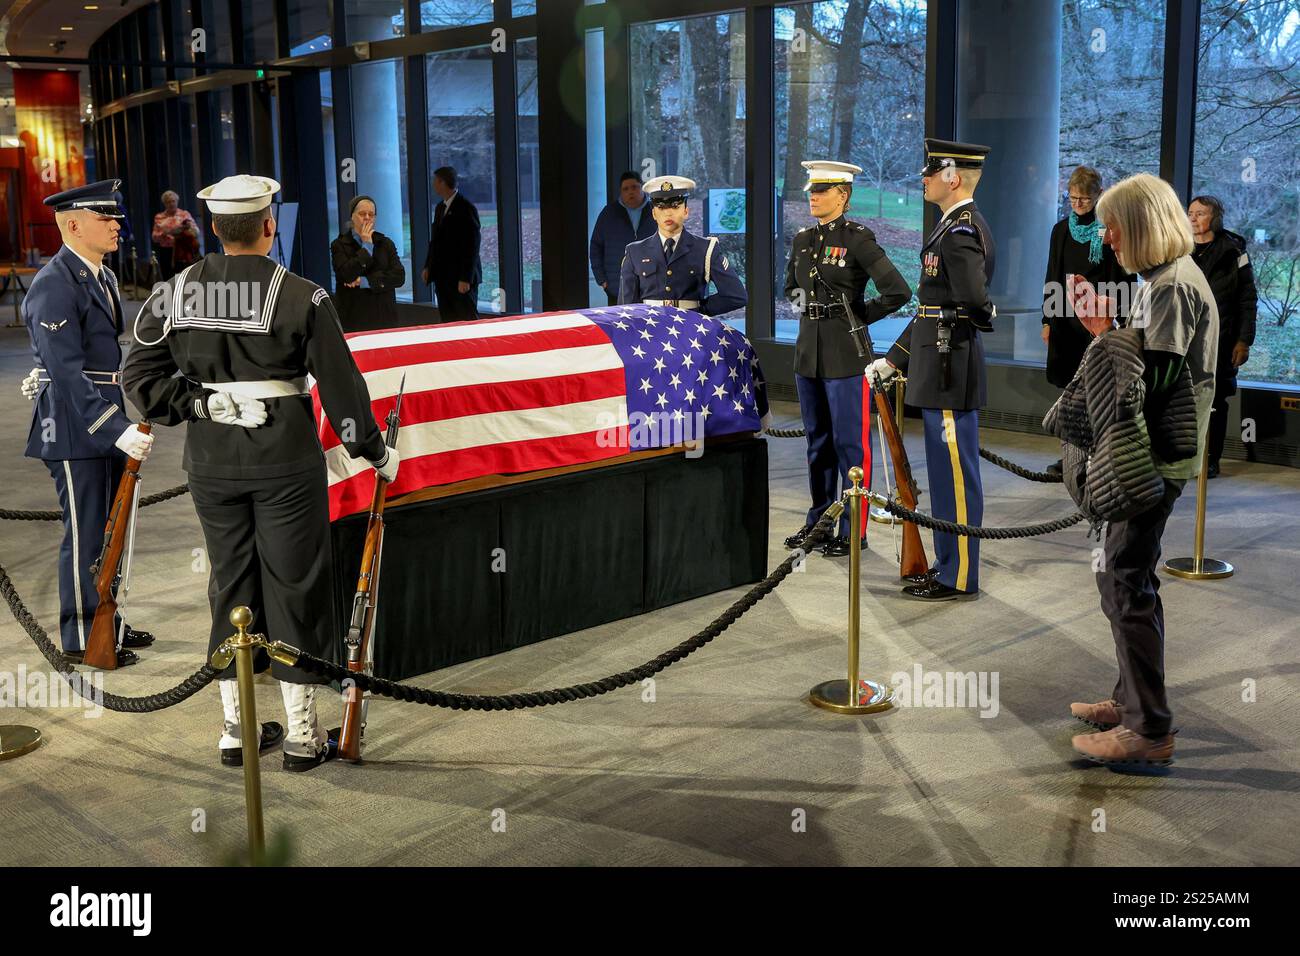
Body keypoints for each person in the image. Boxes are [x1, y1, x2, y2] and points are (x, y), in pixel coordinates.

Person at [123, 174, 399, 772]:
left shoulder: (173, 294)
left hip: (213, 459)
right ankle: (301, 737)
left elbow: (137, 378)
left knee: (230, 583)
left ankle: (238, 728)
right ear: (269, 227)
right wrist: (372, 450)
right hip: (284, 459)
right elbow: (343, 389)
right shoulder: (303, 296)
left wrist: (201, 403)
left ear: (216, 230)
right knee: (294, 584)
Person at [1066, 173, 1218, 768]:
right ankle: (1131, 701)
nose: (1106, 237)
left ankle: (1148, 728)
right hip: (1153, 457)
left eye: (1113, 225)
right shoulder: (1165, 279)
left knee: (1125, 582)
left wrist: (1104, 335)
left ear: (1141, 225)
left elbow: (1151, 386)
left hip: (1151, 460)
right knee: (1127, 580)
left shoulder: (1171, 285)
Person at [21, 180, 155, 667]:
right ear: (74, 224)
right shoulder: (54, 284)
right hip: (75, 424)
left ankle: (108, 619)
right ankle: (81, 634)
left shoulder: (102, 276)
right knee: (85, 532)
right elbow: (65, 371)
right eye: (106, 217)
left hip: (105, 413)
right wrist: (111, 424)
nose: (117, 224)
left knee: (111, 528)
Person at [870, 139, 996, 602]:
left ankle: (959, 576)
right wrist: (895, 359)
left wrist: (982, 318)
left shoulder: (961, 231)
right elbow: (931, 309)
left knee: (956, 480)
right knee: (944, 477)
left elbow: (972, 304)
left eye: (930, 171)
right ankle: (947, 566)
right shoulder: (949, 228)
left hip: (948, 367)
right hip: (938, 362)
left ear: (953, 178)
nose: (923, 178)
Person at [781, 160, 912, 556]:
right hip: (809, 353)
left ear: (844, 194)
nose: (813, 197)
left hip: (846, 353)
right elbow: (790, 288)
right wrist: (811, 309)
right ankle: (819, 522)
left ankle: (854, 530)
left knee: (849, 445)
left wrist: (856, 316)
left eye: (822, 190)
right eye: (811, 191)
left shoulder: (857, 238)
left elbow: (898, 292)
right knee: (817, 442)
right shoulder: (803, 239)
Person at [1041, 167, 1134, 474]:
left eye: (1085, 198)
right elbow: (1053, 272)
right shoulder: (1060, 230)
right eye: (1073, 198)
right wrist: (1047, 319)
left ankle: (1097, 454)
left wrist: (1121, 318)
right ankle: (1072, 456)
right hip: (1065, 318)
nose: (1078, 204)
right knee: (1070, 391)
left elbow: (1120, 275)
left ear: (1099, 195)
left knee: (1096, 388)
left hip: (1097, 317)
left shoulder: (1107, 228)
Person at [1188, 195, 1257, 478]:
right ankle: (1185, 456)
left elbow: (1247, 299)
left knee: (1216, 401)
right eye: (1190, 212)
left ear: (1214, 218)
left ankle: (1210, 458)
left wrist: (1244, 340)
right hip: (1185, 339)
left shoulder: (1234, 252)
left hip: (1222, 338)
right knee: (1183, 399)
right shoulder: (1179, 249)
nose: (1193, 218)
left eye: (1200, 213)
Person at [617, 175, 747, 316]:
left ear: (686, 211)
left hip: (690, 331)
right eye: (661, 207)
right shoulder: (635, 251)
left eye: (675, 206)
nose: (668, 213)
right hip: (650, 331)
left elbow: (736, 295)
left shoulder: (705, 249)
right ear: (654, 213)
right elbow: (626, 306)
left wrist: (699, 312)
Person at [330, 194, 406, 332]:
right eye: (362, 214)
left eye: (371, 214)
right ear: (352, 217)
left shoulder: (385, 243)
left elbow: (399, 276)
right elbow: (345, 275)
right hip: (354, 319)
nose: (367, 218)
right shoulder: (339, 245)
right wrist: (366, 247)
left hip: (384, 318)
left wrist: (365, 281)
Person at [420, 166, 481, 321]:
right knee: (447, 319)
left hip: (460, 279)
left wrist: (465, 278)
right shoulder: (440, 208)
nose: (433, 184)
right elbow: (435, 241)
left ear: (442, 182)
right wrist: (428, 266)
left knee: (465, 318)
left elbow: (472, 245)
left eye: (435, 180)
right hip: (442, 277)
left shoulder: (465, 207)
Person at [590, 172, 655, 306]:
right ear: (620, 192)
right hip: (616, 286)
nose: (630, 192)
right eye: (626, 189)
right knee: (618, 325)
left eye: (634, 187)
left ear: (642, 188)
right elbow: (596, 246)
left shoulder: (655, 211)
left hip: (651, 286)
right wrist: (601, 279)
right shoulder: (609, 213)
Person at [151, 190, 198, 280]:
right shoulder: (159, 217)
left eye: (173, 201)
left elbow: (196, 232)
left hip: (183, 250)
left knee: (184, 279)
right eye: (168, 202)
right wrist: (166, 233)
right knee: (168, 279)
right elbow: (154, 237)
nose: (171, 204)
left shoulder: (185, 214)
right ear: (164, 203)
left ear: (177, 201)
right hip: (166, 251)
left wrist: (187, 228)